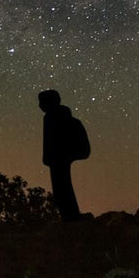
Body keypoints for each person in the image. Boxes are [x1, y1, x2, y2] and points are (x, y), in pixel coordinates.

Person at [38, 89, 90, 221]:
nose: (39, 106)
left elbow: (51, 140)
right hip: (61, 157)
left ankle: (70, 217)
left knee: (61, 188)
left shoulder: (51, 117)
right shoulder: (64, 117)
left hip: (58, 157)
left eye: (41, 102)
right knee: (63, 186)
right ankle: (71, 216)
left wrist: (49, 158)